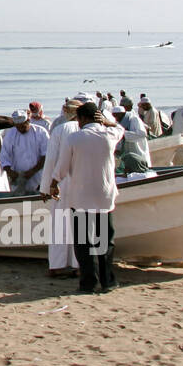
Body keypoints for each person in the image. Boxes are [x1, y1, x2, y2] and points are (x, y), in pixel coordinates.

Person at [49, 103, 126, 294]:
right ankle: (107, 281)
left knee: (83, 242)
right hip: (104, 196)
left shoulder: (74, 138)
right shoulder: (109, 135)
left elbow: (62, 165)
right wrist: (108, 122)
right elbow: (120, 129)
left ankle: (88, 283)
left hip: (81, 196)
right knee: (105, 241)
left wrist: (53, 182)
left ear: (82, 119)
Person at [40, 100, 81, 277]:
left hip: (60, 182)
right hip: (81, 183)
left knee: (60, 225)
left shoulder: (60, 129)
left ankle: (57, 266)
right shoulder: (86, 130)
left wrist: (45, 187)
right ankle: (78, 264)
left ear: (66, 111)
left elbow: (51, 160)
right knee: (79, 225)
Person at [0, 109, 49, 193]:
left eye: (23, 126)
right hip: (18, 176)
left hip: (38, 175)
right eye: (18, 127)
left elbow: (46, 155)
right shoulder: (10, 134)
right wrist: (10, 171)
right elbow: (4, 155)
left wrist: (32, 171)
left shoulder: (41, 132)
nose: (20, 129)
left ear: (28, 121)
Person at [112, 104, 152, 177]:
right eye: (114, 116)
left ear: (122, 114)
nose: (116, 118)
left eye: (116, 115)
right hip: (130, 157)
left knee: (143, 173)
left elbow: (142, 134)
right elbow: (121, 140)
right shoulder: (120, 123)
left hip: (139, 152)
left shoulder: (134, 119)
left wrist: (124, 134)